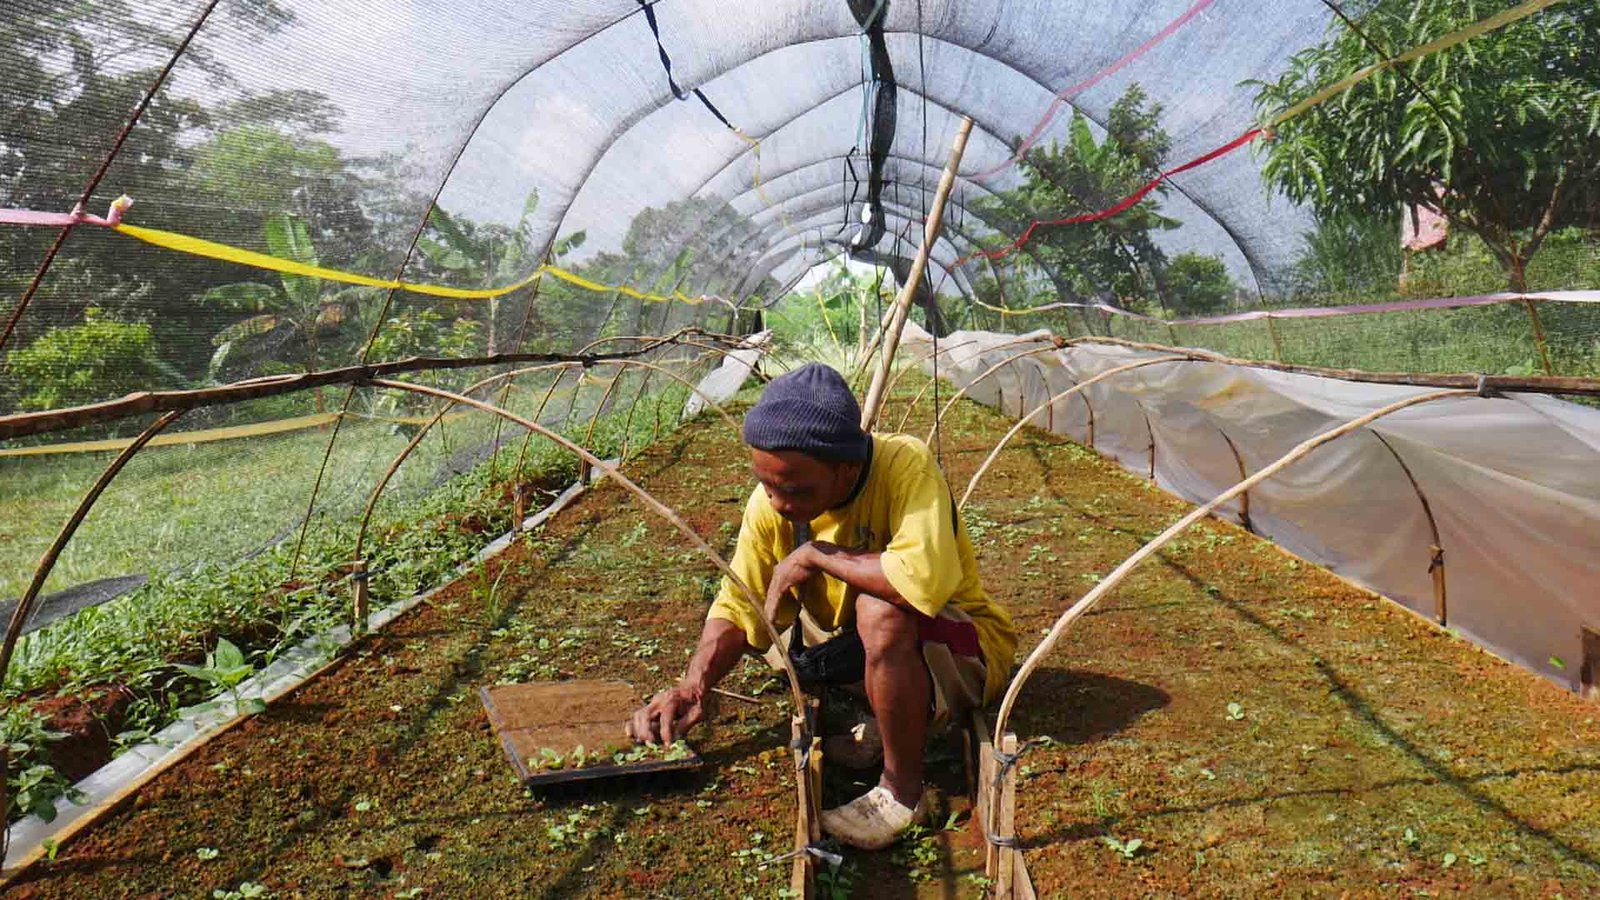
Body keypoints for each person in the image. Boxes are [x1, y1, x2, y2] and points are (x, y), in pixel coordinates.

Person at [627, 362, 1017, 850]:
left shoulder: (903, 467)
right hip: (856, 647)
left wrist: (820, 553)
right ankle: (884, 714)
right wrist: (694, 683)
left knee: (882, 611)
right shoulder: (771, 504)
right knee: (781, 622)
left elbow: (921, 582)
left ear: (847, 469)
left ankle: (902, 792)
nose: (777, 503)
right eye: (766, 485)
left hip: (958, 646)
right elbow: (739, 604)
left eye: (795, 489)